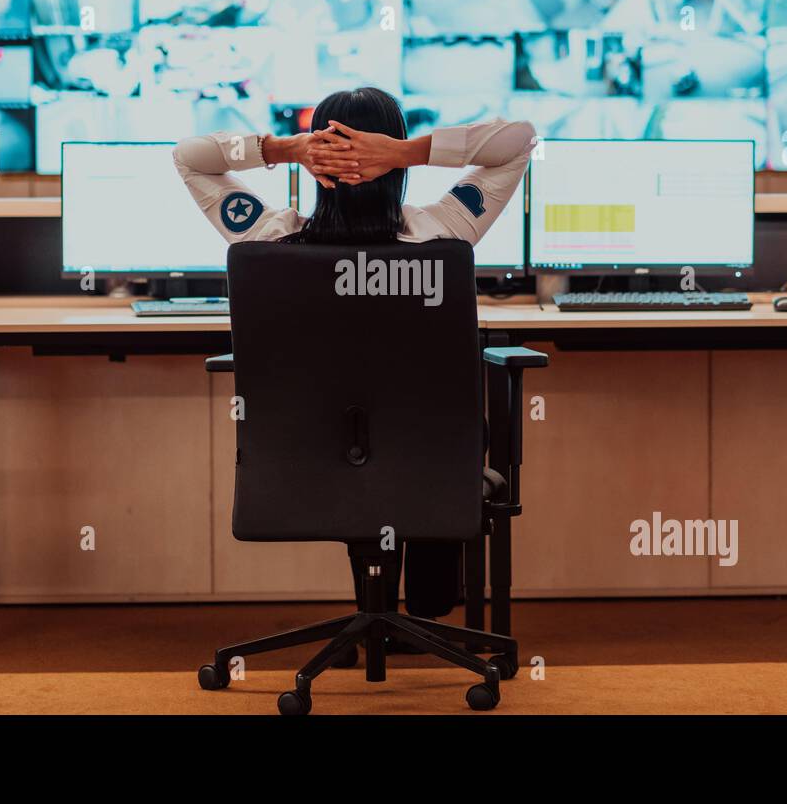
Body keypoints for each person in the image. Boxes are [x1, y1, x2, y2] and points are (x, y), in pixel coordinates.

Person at [174, 86, 536, 618]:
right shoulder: (444, 231)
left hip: (309, 455)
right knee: (429, 426)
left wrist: (283, 149)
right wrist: (404, 151)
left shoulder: (267, 240)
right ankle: (426, 606)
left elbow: (189, 157)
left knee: (351, 426)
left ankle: (377, 618)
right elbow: (520, 139)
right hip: (429, 459)